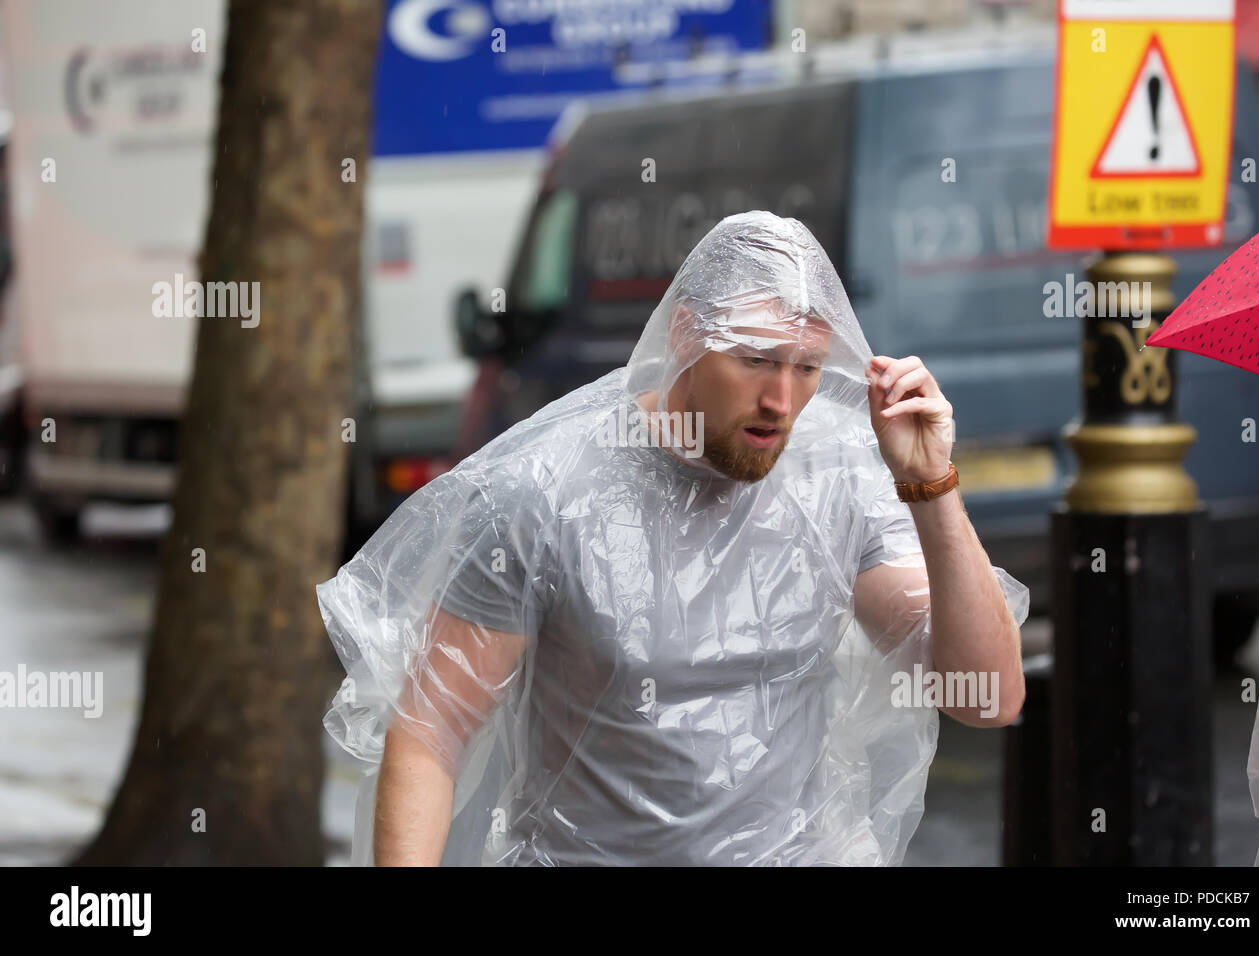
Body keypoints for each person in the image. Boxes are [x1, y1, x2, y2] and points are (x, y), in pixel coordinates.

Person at [317, 210, 1030, 866]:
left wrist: (931, 486)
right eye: (755, 358)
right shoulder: (543, 493)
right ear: (685, 333)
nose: (782, 401)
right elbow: (430, 730)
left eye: (807, 366)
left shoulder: (835, 480)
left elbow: (987, 698)